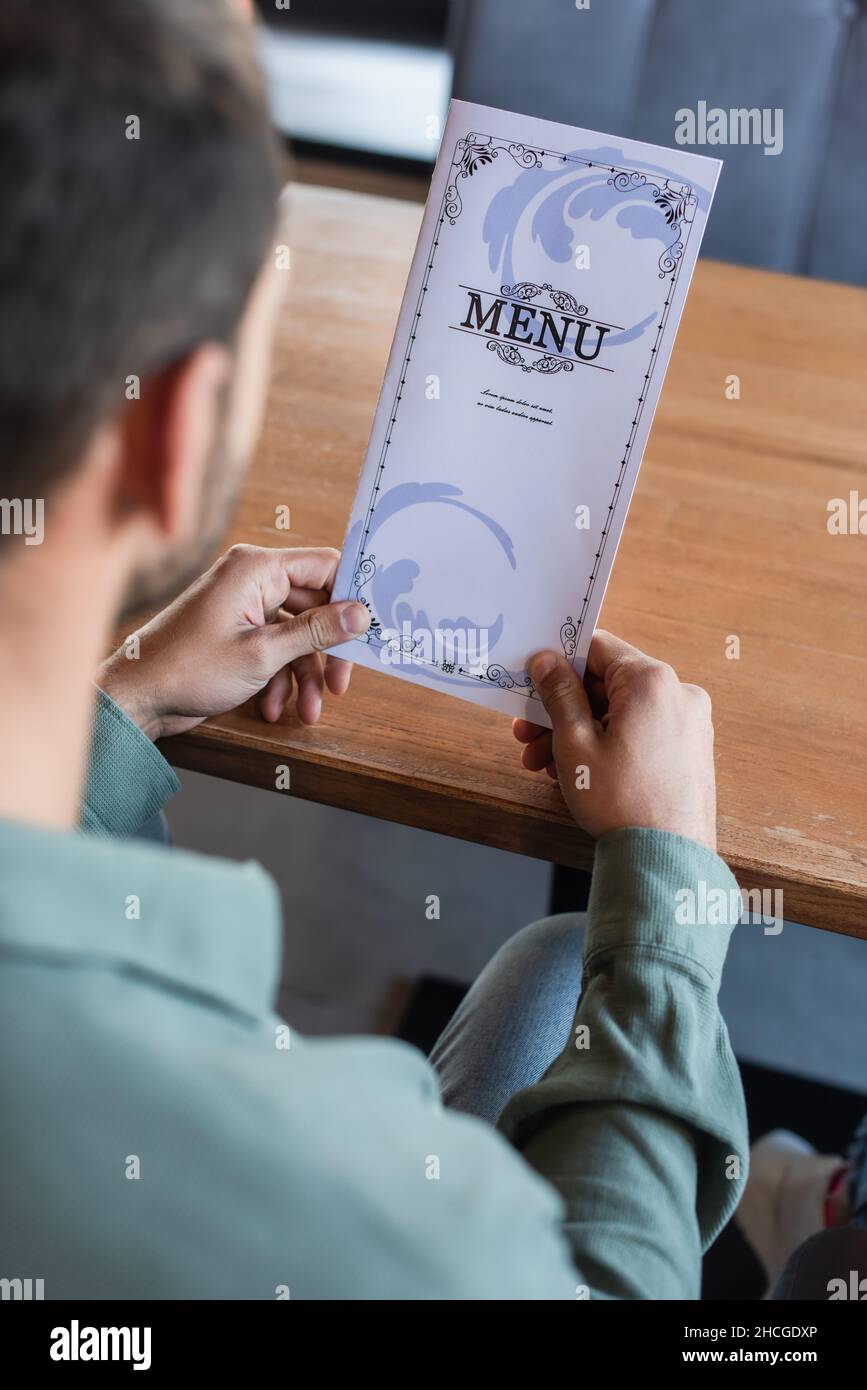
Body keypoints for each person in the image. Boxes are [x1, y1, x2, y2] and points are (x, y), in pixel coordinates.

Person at [0, 0, 749, 1299]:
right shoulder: (388, 1234)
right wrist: (666, 892)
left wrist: (114, 712)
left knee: (554, 963)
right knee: (594, 966)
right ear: (173, 437)